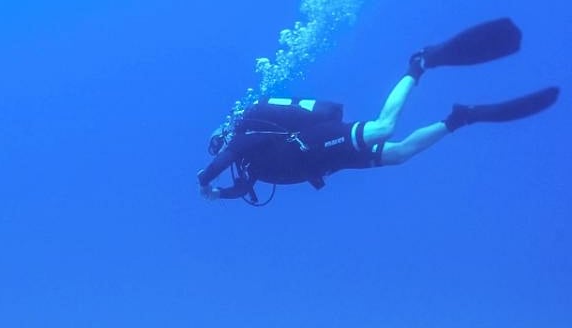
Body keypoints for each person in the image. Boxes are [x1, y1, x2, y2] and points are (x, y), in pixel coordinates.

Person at [198, 18, 559, 205]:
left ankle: (419, 63)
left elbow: (226, 158)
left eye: (217, 145)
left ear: (224, 136)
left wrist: (203, 179)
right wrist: (217, 195)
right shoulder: (249, 168)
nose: (220, 153)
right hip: (327, 161)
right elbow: (242, 185)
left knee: (384, 127)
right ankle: (459, 118)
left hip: (313, 143)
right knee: (401, 154)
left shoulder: (242, 139)